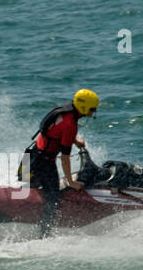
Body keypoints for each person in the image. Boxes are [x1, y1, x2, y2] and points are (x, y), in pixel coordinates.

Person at [21, 89, 98, 236]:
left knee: (31, 188)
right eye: (92, 109)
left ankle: (27, 216)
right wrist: (71, 182)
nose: (94, 112)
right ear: (83, 108)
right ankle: (44, 234)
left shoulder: (66, 111)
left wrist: (75, 141)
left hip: (30, 156)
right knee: (53, 197)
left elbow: (57, 132)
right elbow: (64, 158)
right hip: (42, 162)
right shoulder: (71, 125)